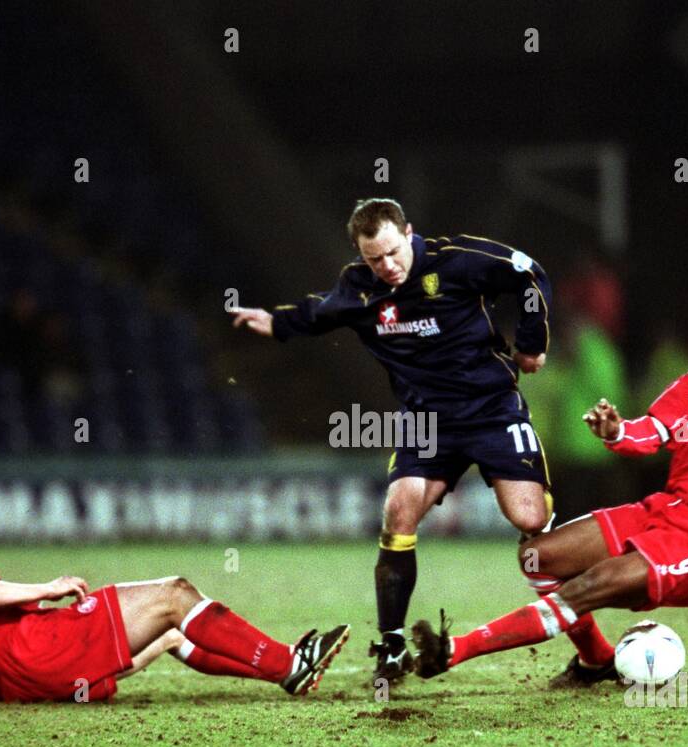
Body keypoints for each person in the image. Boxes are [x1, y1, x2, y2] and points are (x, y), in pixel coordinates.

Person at [409, 305, 688, 685]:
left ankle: (452, 650)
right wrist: (617, 430)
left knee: (592, 585)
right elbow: (654, 429)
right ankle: (595, 660)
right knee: (537, 557)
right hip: (662, 512)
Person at [230, 198, 553, 685]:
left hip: (491, 409)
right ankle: (393, 645)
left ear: (409, 232)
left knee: (531, 518)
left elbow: (529, 274)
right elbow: (321, 312)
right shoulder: (360, 288)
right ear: (361, 256)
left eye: (394, 252)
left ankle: (587, 640)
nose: (387, 266)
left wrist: (532, 342)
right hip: (426, 421)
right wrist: (277, 323)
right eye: (374, 258)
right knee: (398, 508)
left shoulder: (456, 261)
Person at [0, 477, 348, 701]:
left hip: (26, 674)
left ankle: (285, 668)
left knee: (172, 631)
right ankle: (289, 664)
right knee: (174, 593)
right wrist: (46, 587)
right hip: (37, 649)